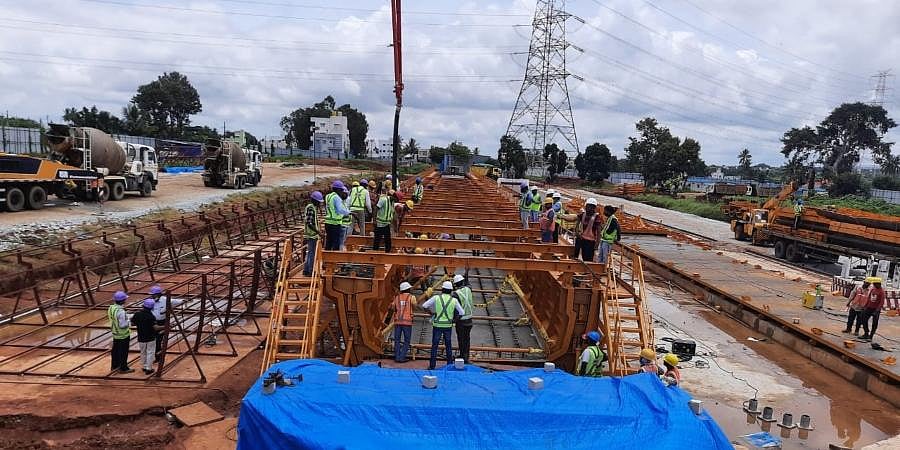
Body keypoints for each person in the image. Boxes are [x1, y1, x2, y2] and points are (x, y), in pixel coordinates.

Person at [421, 281, 464, 370]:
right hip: (448, 326)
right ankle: (449, 364)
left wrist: (431, 313)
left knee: (435, 346)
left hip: (437, 325)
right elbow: (461, 312)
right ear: (451, 290)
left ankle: (432, 366)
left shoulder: (436, 298)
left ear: (442, 289)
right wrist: (454, 320)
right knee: (448, 345)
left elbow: (424, 305)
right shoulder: (454, 300)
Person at [148, 285, 183, 363]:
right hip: (152, 322)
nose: (152, 296)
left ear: (159, 294)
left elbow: (177, 301)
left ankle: (158, 357)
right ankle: (154, 356)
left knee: (158, 340)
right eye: (152, 295)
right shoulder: (150, 301)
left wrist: (184, 301)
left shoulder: (165, 300)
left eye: (154, 295)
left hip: (162, 322)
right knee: (151, 340)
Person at [131, 298, 163, 375]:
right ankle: (149, 368)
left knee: (143, 352)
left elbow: (132, 323)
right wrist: (165, 326)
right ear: (152, 307)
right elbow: (156, 327)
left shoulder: (137, 314)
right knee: (150, 352)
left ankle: (144, 366)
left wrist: (140, 323)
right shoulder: (151, 316)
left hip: (141, 337)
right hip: (150, 337)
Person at [389, 282, 416, 363]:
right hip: (407, 322)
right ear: (408, 289)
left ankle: (397, 357)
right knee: (407, 340)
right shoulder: (412, 297)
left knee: (397, 340)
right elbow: (415, 305)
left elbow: (392, 307)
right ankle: (402, 357)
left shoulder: (397, 297)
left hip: (397, 322)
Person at [108, 291, 133, 373]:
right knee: (123, 352)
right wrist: (129, 322)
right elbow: (123, 325)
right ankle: (123, 368)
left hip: (115, 333)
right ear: (122, 301)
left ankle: (114, 366)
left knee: (115, 351)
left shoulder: (111, 308)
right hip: (123, 335)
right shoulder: (121, 311)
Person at [452, 274, 474, 364]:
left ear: (455, 284)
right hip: (469, 319)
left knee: (461, 339)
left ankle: (462, 356)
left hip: (461, 321)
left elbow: (455, 309)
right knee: (467, 339)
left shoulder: (456, 294)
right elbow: (468, 284)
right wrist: (467, 274)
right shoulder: (468, 289)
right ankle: (466, 356)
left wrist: (454, 320)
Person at [324, 181, 350, 250]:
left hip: (327, 222)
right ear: (338, 190)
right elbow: (340, 210)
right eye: (341, 190)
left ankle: (327, 258)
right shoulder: (336, 197)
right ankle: (334, 258)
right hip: (335, 223)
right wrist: (348, 212)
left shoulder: (328, 196)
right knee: (336, 242)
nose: (342, 192)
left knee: (329, 242)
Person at [303, 191, 324, 276]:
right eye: (319, 202)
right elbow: (309, 222)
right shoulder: (311, 208)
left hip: (311, 234)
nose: (320, 204)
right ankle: (310, 271)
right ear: (315, 201)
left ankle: (306, 270)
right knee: (312, 253)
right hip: (311, 235)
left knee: (310, 252)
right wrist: (318, 232)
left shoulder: (312, 207)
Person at [340, 185, 352, 250]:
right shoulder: (340, 202)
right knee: (341, 241)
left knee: (344, 240)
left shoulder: (345, 201)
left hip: (346, 224)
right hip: (342, 224)